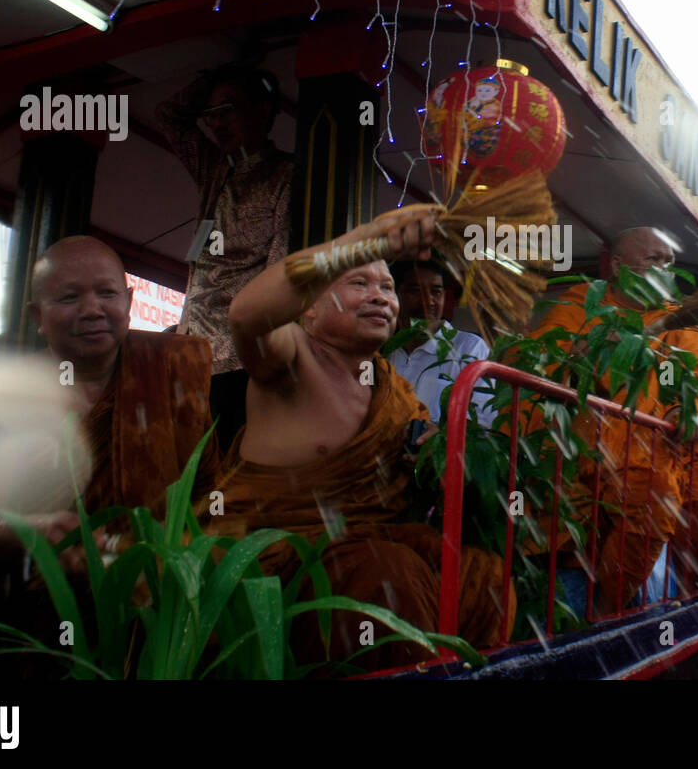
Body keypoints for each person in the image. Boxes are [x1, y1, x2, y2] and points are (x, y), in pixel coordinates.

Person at [0, 238, 215, 676]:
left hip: (145, 584)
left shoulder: (173, 370)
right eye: (68, 297)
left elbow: (209, 497)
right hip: (22, 587)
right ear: (36, 316)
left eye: (107, 293)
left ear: (130, 302)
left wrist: (159, 559)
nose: (92, 310)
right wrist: (30, 530)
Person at [205, 206, 512, 671]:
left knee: (483, 576)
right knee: (386, 577)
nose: (381, 297)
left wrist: (435, 455)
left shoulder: (394, 388)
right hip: (279, 554)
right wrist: (369, 239)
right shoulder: (290, 357)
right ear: (308, 308)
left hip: (364, 542)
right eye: (358, 284)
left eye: (387, 287)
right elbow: (246, 315)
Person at [528, 227, 698, 612]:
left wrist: (686, 413)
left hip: (654, 462)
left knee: (682, 503)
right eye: (652, 260)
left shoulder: (680, 328)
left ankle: (620, 605)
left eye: (669, 262)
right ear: (619, 266)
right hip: (580, 451)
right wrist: (590, 350)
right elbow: (539, 363)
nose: (664, 269)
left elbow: (693, 387)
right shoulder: (584, 304)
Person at [155, 64, 294, 445]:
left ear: (263, 110)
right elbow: (167, 115)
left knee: (225, 466)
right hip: (187, 352)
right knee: (181, 469)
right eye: (211, 116)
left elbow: (279, 273)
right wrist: (220, 71)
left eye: (228, 110)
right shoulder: (215, 169)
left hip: (238, 360)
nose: (217, 124)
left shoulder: (286, 175)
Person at [386, 258, 495, 427]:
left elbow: (484, 419)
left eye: (436, 292)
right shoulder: (382, 349)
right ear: (395, 295)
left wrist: (440, 436)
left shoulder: (470, 348)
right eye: (415, 291)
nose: (428, 301)